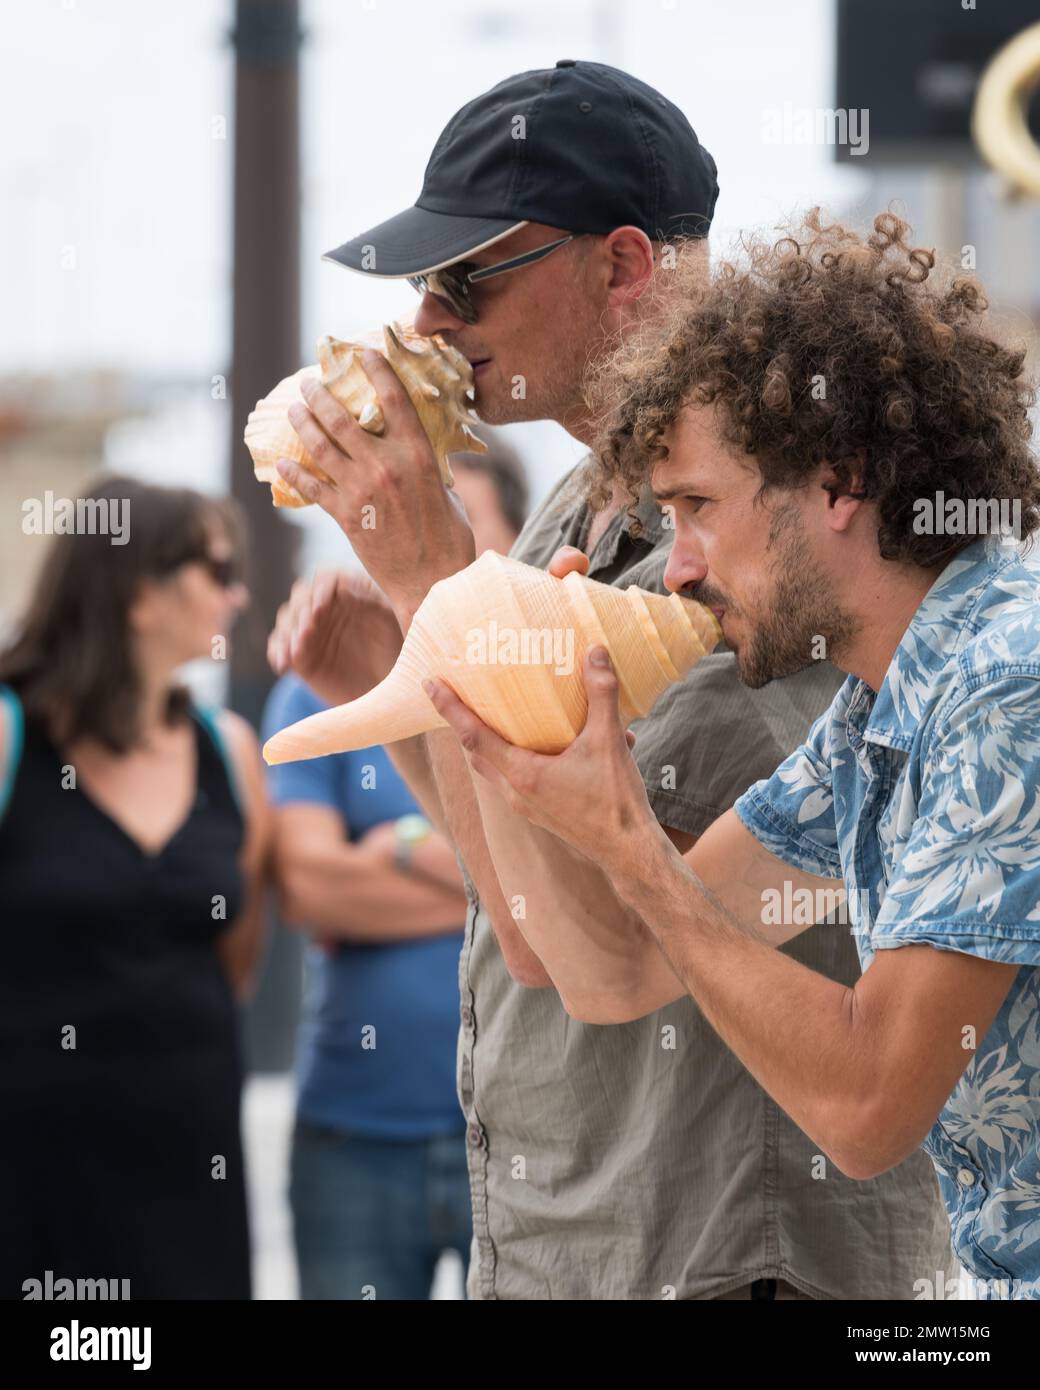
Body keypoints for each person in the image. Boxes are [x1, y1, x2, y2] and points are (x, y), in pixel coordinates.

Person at [266, 62, 954, 1299]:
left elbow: (590, 938)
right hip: (574, 1237)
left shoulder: (775, 527)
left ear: (623, 265)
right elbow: (523, 875)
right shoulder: (580, 507)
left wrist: (437, 586)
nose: (427, 323)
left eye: (463, 279)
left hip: (724, 1248)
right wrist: (414, 686)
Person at [427, 210, 1040, 1299]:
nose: (675, 567)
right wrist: (524, 719)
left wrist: (636, 850)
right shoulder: (864, 721)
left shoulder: (1006, 679)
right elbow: (616, 970)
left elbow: (862, 1109)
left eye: (697, 508)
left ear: (840, 480)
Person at [264, 442, 527, 1300]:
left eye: (453, 530)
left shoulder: (545, 688)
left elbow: (571, 895)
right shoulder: (319, 682)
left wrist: (401, 851)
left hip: (522, 1131)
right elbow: (309, 884)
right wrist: (498, 892)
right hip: (356, 1129)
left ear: (520, 541)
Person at [0, 474, 271, 1300]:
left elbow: (238, 959)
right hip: (30, 1177)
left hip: (193, 1167)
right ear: (139, 591)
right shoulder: (11, 735)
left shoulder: (228, 749)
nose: (239, 594)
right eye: (217, 570)